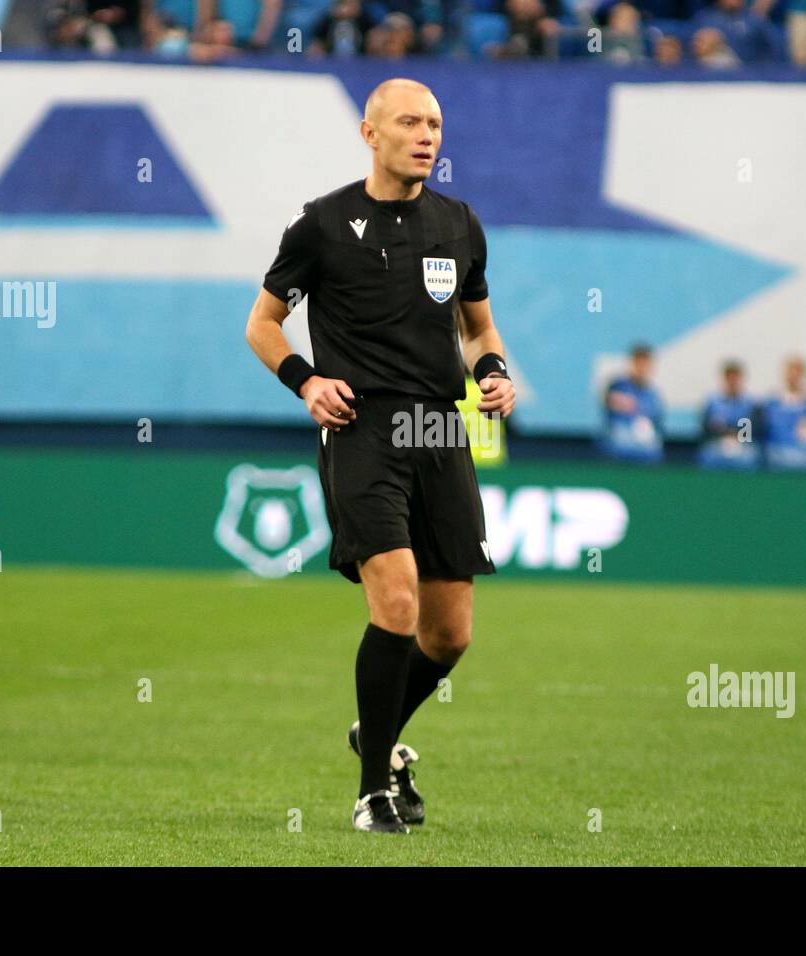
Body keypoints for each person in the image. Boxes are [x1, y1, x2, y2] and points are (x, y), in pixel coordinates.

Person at [245, 79, 516, 835]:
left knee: (449, 633)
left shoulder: (458, 224)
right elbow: (263, 324)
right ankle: (372, 794)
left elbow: (479, 332)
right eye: (409, 122)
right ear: (370, 132)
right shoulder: (322, 225)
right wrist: (306, 381)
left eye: (435, 122)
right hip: (362, 426)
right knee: (395, 601)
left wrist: (491, 373)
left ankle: (379, 735)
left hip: (439, 430)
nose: (426, 134)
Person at [762, 355, 806, 471]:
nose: (793, 376)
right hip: (777, 455)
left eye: (798, 372)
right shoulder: (772, 403)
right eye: (790, 371)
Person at [600, 343, 666, 463]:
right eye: (638, 363)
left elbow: (656, 422)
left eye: (645, 364)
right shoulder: (618, 385)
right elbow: (610, 402)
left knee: (652, 448)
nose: (642, 368)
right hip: (620, 437)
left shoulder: (652, 394)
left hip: (644, 442)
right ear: (632, 363)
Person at [698, 359, 759, 470]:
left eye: (735, 378)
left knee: (749, 456)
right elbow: (706, 427)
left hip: (742, 443)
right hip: (718, 442)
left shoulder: (749, 403)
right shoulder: (713, 402)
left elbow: (754, 428)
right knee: (708, 454)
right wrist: (723, 434)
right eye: (729, 378)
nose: (732, 382)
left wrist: (736, 435)